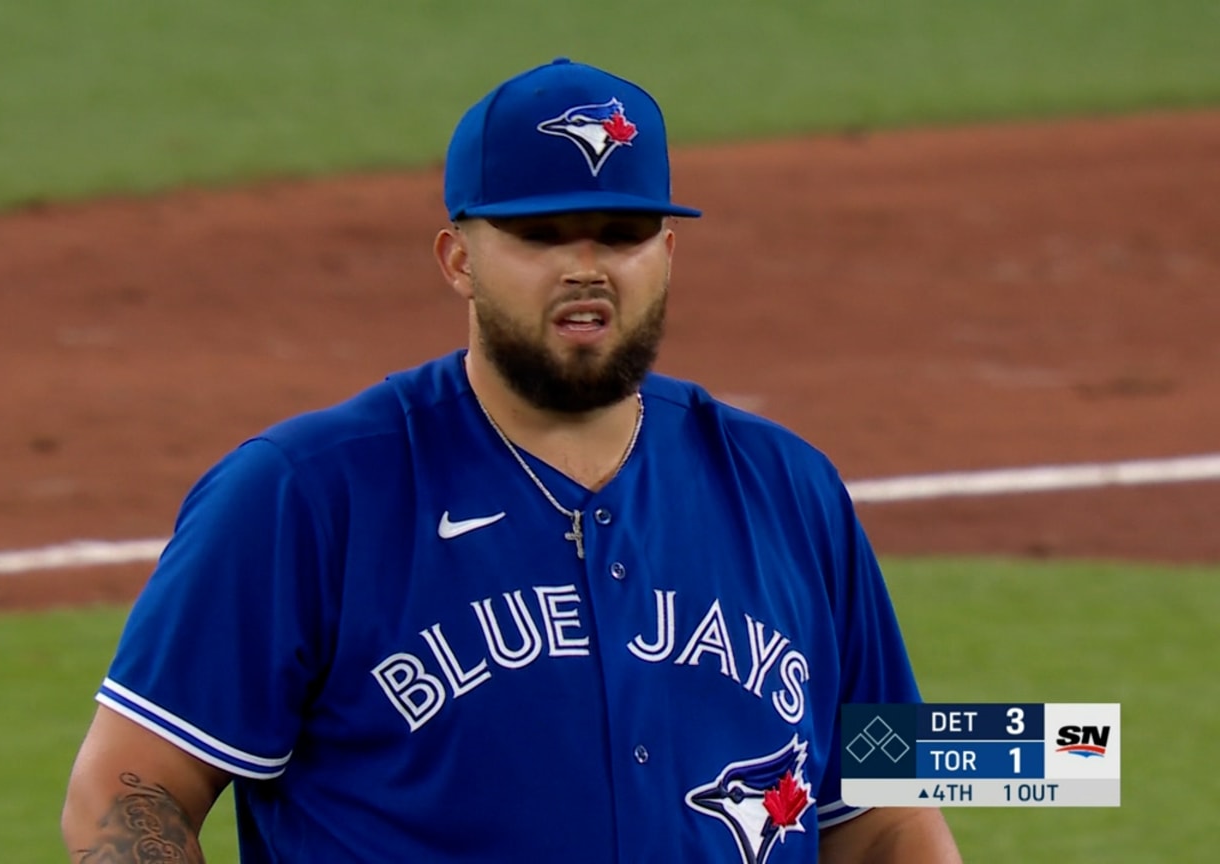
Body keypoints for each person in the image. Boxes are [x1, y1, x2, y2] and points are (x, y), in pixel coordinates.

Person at [61, 57, 961, 863]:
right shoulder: (305, 494)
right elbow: (127, 788)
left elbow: (889, 809)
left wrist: (1071, 753)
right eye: (540, 236)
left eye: (621, 233)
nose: (586, 266)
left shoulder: (789, 489)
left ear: (668, 253)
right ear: (459, 258)